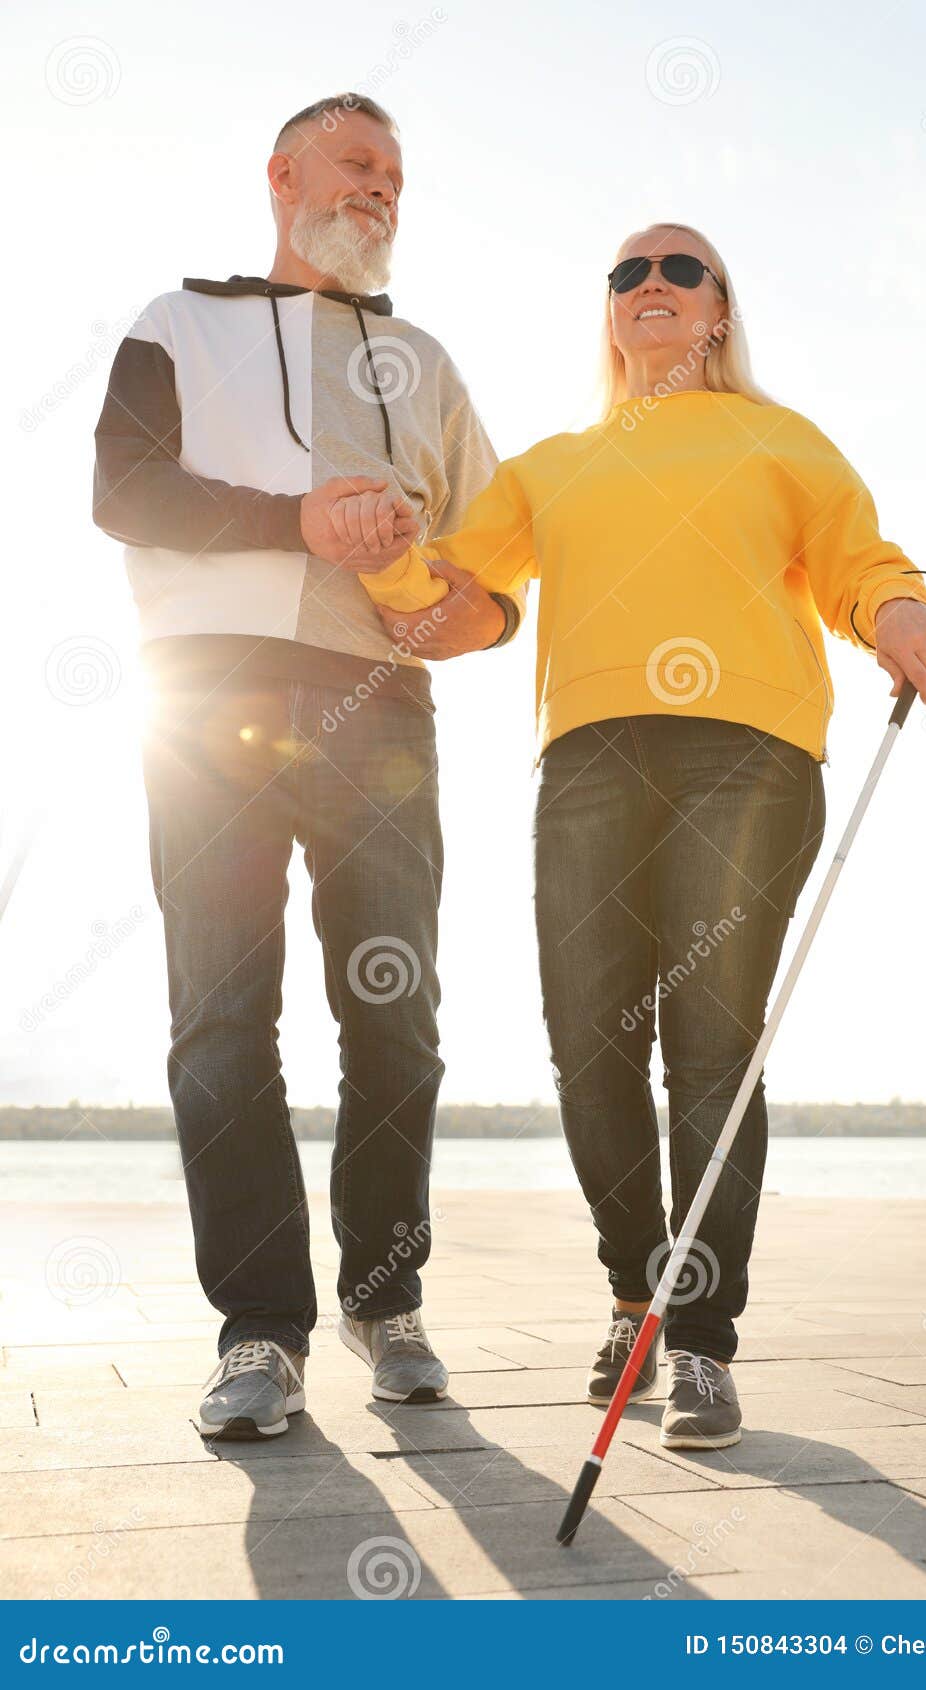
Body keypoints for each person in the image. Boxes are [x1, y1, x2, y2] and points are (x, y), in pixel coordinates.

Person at [346, 222, 926, 1450]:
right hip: (586, 760)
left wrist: (893, 610)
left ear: (719, 309)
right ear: (609, 312)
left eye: (681, 271)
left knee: (713, 1056)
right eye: (628, 274)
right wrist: (391, 565)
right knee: (588, 1047)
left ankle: (701, 1342)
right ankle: (635, 1288)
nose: (653, 286)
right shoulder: (554, 463)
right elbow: (449, 586)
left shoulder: (782, 439)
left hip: (749, 755)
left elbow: (856, 561)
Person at [92, 93, 524, 1439]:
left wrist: (477, 615)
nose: (383, 189)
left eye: (398, 174)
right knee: (222, 1020)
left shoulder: (424, 362)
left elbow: (492, 564)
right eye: (358, 165)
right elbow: (123, 491)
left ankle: (384, 1299)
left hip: (375, 710)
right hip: (203, 700)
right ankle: (260, 1332)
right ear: (283, 177)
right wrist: (298, 517)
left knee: (394, 1009)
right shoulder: (175, 323)